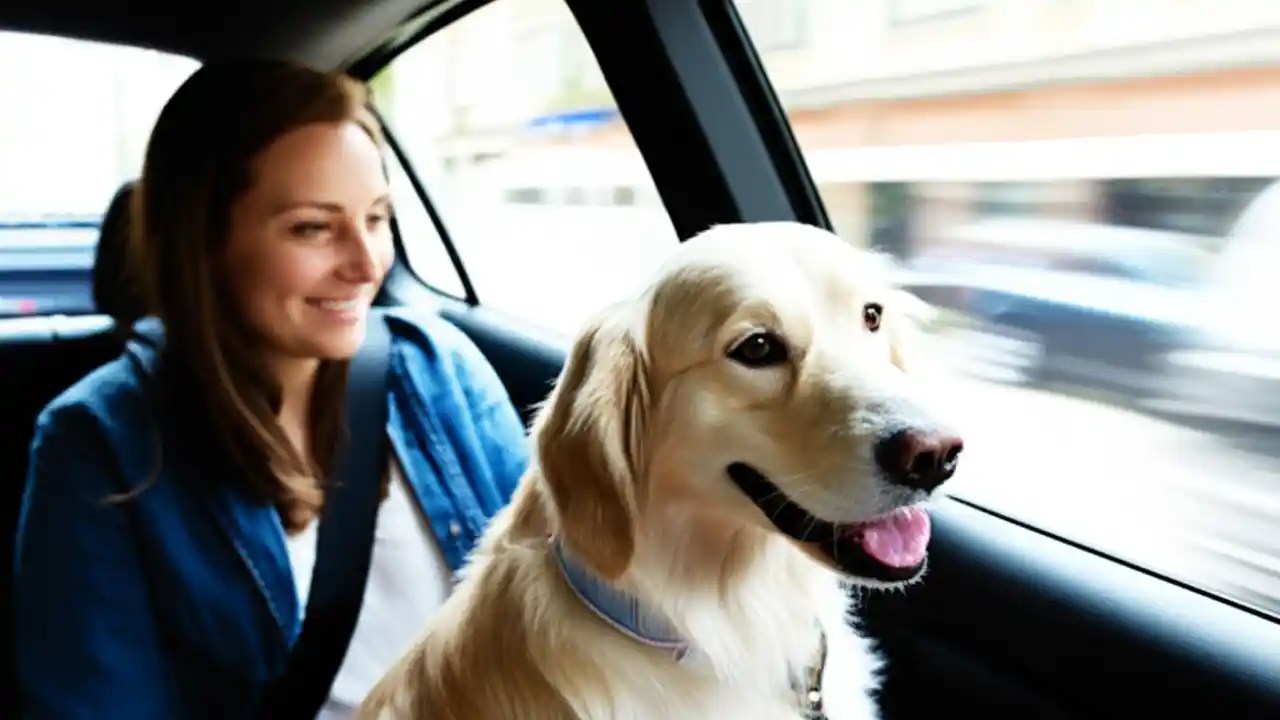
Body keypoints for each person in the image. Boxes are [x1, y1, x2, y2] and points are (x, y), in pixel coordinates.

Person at [12, 60, 529, 719]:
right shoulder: (98, 442)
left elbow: (561, 595)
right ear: (205, 240)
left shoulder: (436, 368)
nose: (366, 264)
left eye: (376, 218)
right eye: (313, 227)